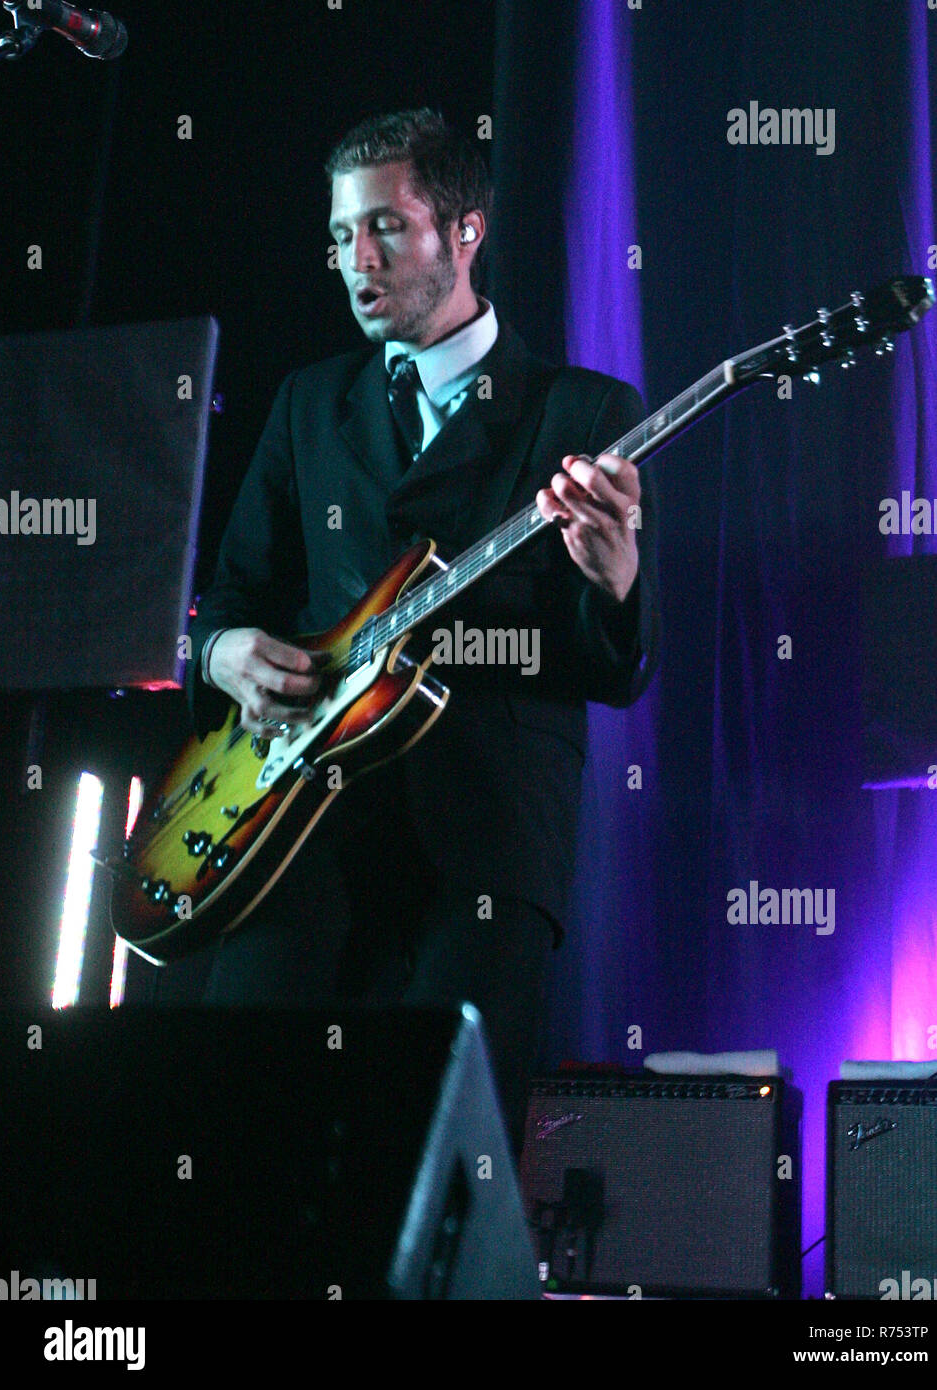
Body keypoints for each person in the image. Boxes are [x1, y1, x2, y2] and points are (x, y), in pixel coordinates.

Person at [184, 108, 661, 1153]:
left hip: (482, 848)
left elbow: (609, 668)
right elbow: (228, 601)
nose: (356, 260)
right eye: (341, 235)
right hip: (298, 836)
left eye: (387, 229)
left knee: (434, 1163)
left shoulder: (580, 411)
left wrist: (613, 584)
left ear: (465, 232)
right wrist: (220, 653)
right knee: (240, 1132)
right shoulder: (311, 403)